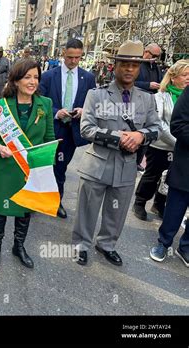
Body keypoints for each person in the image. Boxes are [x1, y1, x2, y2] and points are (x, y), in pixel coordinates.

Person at [71, 40, 161, 267]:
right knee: (87, 209)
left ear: (139, 68)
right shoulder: (97, 95)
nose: (130, 69)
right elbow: (86, 129)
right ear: (115, 66)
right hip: (97, 164)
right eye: (125, 64)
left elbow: (156, 128)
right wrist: (120, 138)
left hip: (127, 166)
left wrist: (140, 136)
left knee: (117, 211)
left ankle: (107, 245)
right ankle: (81, 245)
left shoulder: (146, 98)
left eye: (134, 65)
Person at [0, 59, 54, 269]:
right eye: (27, 77)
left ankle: (19, 246)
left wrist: (45, 162)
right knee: (1, 209)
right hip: (7, 167)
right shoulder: (1, 108)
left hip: (30, 168)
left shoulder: (46, 104)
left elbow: (49, 136)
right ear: (15, 80)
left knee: (25, 209)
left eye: (36, 77)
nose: (33, 82)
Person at [39, 39, 96, 218]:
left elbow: (93, 104)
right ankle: (36, 200)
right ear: (63, 53)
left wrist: (83, 110)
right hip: (49, 129)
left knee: (60, 168)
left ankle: (56, 202)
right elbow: (39, 103)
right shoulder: (49, 76)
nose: (73, 61)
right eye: (70, 57)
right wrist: (56, 112)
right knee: (42, 166)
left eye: (77, 58)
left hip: (71, 132)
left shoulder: (88, 78)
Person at [133, 59, 189, 220]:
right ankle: (140, 201)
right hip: (161, 145)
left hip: (182, 148)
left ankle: (159, 203)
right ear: (173, 77)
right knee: (153, 175)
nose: (188, 78)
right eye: (184, 75)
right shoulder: (161, 97)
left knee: (170, 179)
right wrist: (178, 142)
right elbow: (160, 123)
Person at [149, 86, 189, 267]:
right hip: (186, 163)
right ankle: (163, 243)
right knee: (176, 205)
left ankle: (185, 247)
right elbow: (178, 125)